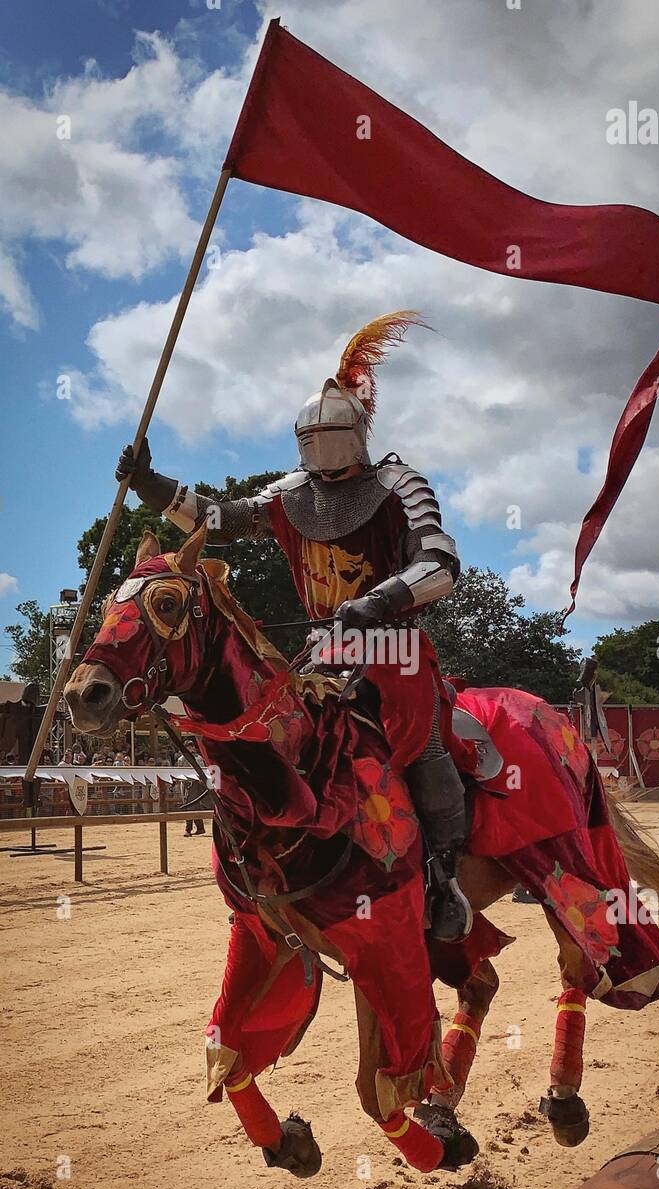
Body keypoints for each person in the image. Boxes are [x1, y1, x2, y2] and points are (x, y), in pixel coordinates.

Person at [117, 311, 470, 940]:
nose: (319, 457)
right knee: (270, 733)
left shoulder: (398, 484)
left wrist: (381, 602)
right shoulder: (291, 494)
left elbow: (441, 565)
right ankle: (280, 869)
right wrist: (152, 484)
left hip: (395, 651)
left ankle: (444, 880)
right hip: (320, 652)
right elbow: (217, 519)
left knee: (423, 747)